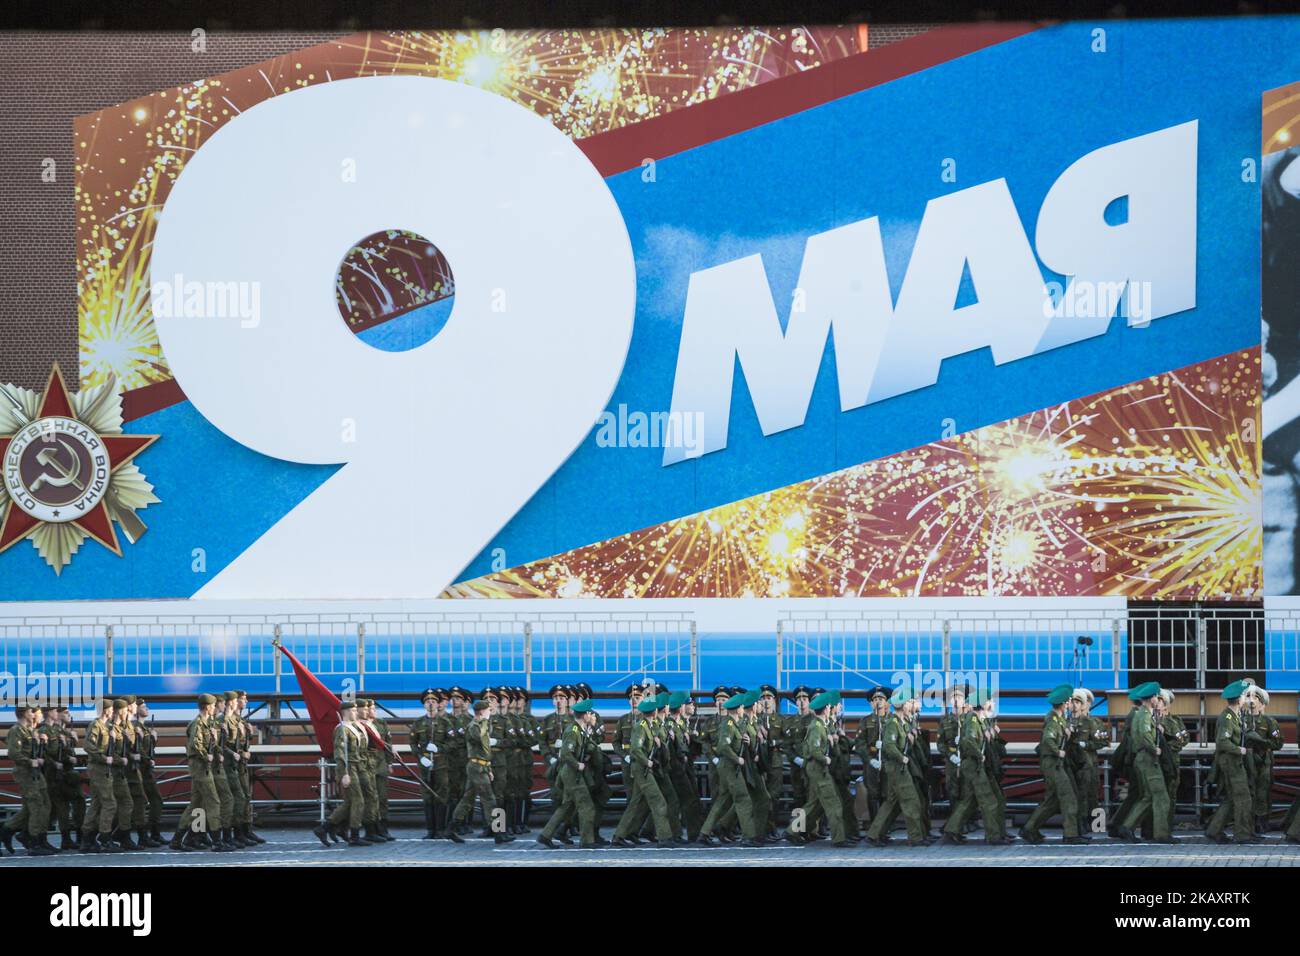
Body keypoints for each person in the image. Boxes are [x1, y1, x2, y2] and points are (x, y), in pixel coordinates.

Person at [942, 687, 1010, 845]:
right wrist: (980, 755)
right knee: (989, 801)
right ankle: (994, 836)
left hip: (978, 766)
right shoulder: (973, 719)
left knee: (970, 800)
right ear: (984, 703)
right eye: (990, 700)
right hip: (974, 766)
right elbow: (968, 741)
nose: (993, 703)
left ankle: (952, 830)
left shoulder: (981, 719)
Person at [1019, 684, 1085, 845]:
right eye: (1069, 701)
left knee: (1053, 801)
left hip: (1055, 763)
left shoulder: (1059, 719)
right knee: (1068, 797)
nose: (1070, 704)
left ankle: (1029, 828)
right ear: (1064, 703)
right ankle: (1070, 834)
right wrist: (1057, 751)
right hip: (1053, 763)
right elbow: (1049, 739)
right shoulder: (1054, 720)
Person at [865, 685, 930, 847]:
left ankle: (874, 834)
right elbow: (889, 745)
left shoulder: (901, 722)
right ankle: (916, 838)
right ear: (902, 705)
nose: (910, 704)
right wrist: (902, 758)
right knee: (911, 801)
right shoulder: (894, 722)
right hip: (897, 768)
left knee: (891, 803)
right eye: (908, 702)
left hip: (897, 768)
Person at [788, 690, 852, 847]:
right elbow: (815, 750)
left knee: (814, 804)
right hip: (818, 768)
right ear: (825, 709)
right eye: (829, 707)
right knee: (833, 803)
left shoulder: (820, 725)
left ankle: (792, 831)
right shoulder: (816, 726)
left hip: (817, 769)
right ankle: (839, 839)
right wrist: (825, 758)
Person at [537, 698, 603, 848]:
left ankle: (545, 835)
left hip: (572, 773)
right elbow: (566, 753)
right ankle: (587, 841)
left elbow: (592, 746)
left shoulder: (581, 729)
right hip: (572, 774)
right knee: (587, 806)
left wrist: (592, 728)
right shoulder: (572, 731)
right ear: (585, 715)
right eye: (590, 713)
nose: (592, 715)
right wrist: (577, 764)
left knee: (566, 806)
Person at [1114, 682, 1173, 844]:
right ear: (1152, 698)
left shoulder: (1141, 713)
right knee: (1161, 797)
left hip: (1142, 759)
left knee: (1147, 797)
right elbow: (1145, 735)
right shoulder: (1145, 715)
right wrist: (1155, 749)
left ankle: (1127, 827)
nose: (1157, 699)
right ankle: (1162, 834)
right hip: (1148, 759)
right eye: (1156, 696)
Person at [450, 698, 514, 843]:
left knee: (467, 799)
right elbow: (479, 739)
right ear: (482, 712)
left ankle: (450, 829)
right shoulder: (474, 725)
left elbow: (485, 751)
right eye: (488, 711)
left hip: (481, 766)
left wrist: (489, 768)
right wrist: (484, 721)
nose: (490, 713)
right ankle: (499, 834)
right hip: (476, 768)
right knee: (489, 799)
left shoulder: (481, 724)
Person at [1205, 680, 1260, 844]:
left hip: (1233, 762)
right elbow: (1222, 742)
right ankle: (1242, 835)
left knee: (1231, 798)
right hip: (1231, 762)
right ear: (1239, 699)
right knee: (1243, 798)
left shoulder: (1236, 715)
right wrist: (1238, 750)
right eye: (1244, 695)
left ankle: (1214, 830)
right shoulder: (1227, 717)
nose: (1246, 698)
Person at [171, 694, 227, 852]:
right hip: (200, 766)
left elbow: (207, 743)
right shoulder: (197, 724)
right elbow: (196, 745)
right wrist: (206, 755)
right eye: (213, 705)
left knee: (197, 804)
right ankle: (217, 840)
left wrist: (215, 743)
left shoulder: (207, 724)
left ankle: (181, 839)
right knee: (213, 801)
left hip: (203, 766)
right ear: (208, 707)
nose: (214, 708)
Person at [3, 705, 55, 856]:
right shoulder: (16, 730)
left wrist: (42, 742)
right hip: (25, 773)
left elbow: (34, 752)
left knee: (42, 804)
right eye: (31, 712)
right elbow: (13, 753)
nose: (33, 715)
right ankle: (34, 842)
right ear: (24, 713)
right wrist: (28, 761)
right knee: (36, 806)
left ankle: (8, 830)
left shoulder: (30, 731)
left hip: (36, 773)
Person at [1244, 685, 1284, 833]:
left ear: (1262, 703)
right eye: (1248, 697)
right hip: (1247, 761)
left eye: (1256, 698)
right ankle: (1249, 822)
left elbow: (1278, 743)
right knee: (1249, 791)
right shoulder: (1241, 720)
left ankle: (1262, 822)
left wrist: (1261, 742)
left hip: (1263, 762)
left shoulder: (1268, 721)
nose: (1252, 701)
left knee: (1263, 792)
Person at [1067, 687, 1107, 834]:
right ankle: (1079, 824)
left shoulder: (1092, 722)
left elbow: (1103, 741)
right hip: (1072, 764)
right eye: (1074, 701)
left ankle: (1096, 825)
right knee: (1078, 794)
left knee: (1092, 794)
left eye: (1083, 701)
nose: (1081, 705)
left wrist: (1087, 745)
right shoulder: (1067, 721)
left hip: (1089, 763)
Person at [132, 699, 165, 847]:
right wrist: (147, 759)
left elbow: (148, 748)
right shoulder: (134, 727)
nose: (147, 709)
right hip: (139, 768)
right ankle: (144, 835)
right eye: (143, 707)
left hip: (146, 769)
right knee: (139, 802)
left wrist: (154, 739)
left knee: (156, 800)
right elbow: (138, 749)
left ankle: (154, 833)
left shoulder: (144, 728)